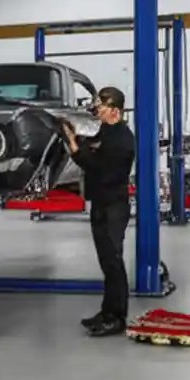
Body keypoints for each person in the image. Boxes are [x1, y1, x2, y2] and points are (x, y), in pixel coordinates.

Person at [61, 86, 135, 337]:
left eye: (101, 106)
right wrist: (76, 136)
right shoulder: (106, 130)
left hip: (113, 206)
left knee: (113, 261)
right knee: (106, 262)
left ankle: (117, 318)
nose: (97, 109)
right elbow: (94, 145)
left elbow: (97, 167)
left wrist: (73, 147)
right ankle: (107, 311)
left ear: (115, 111)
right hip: (102, 204)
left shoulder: (123, 140)